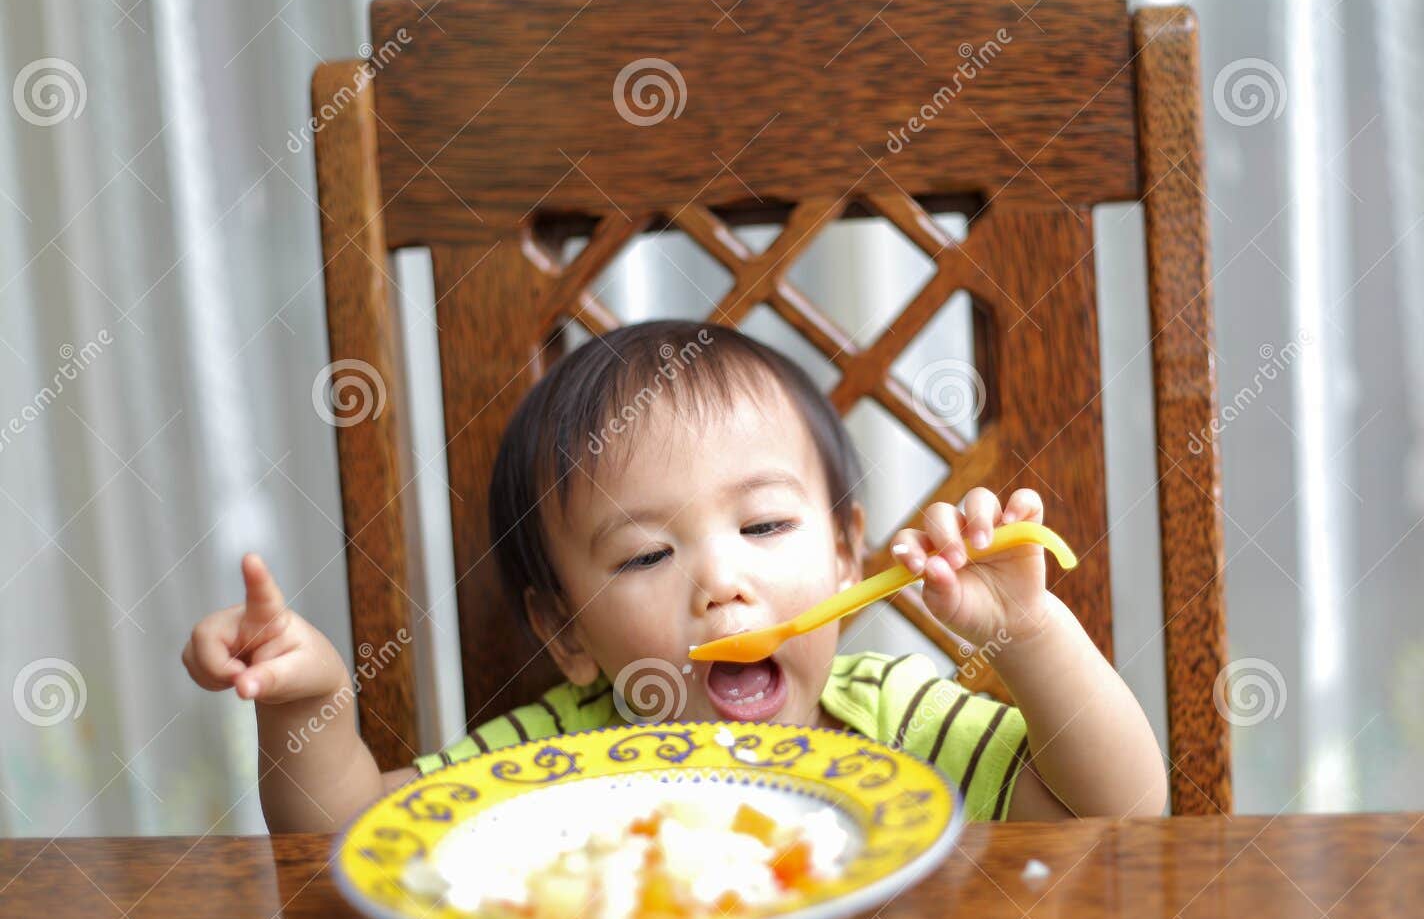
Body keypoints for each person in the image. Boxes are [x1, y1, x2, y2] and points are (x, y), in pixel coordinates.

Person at [182, 321, 1167, 831]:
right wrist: (303, 701)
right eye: (647, 554)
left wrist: (1026, 634)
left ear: (844, 551)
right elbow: (343, 832)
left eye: (766, 523)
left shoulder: (901, 719)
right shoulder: (561, 754)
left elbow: (1120, 813)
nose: (721, 584)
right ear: (566, 631)